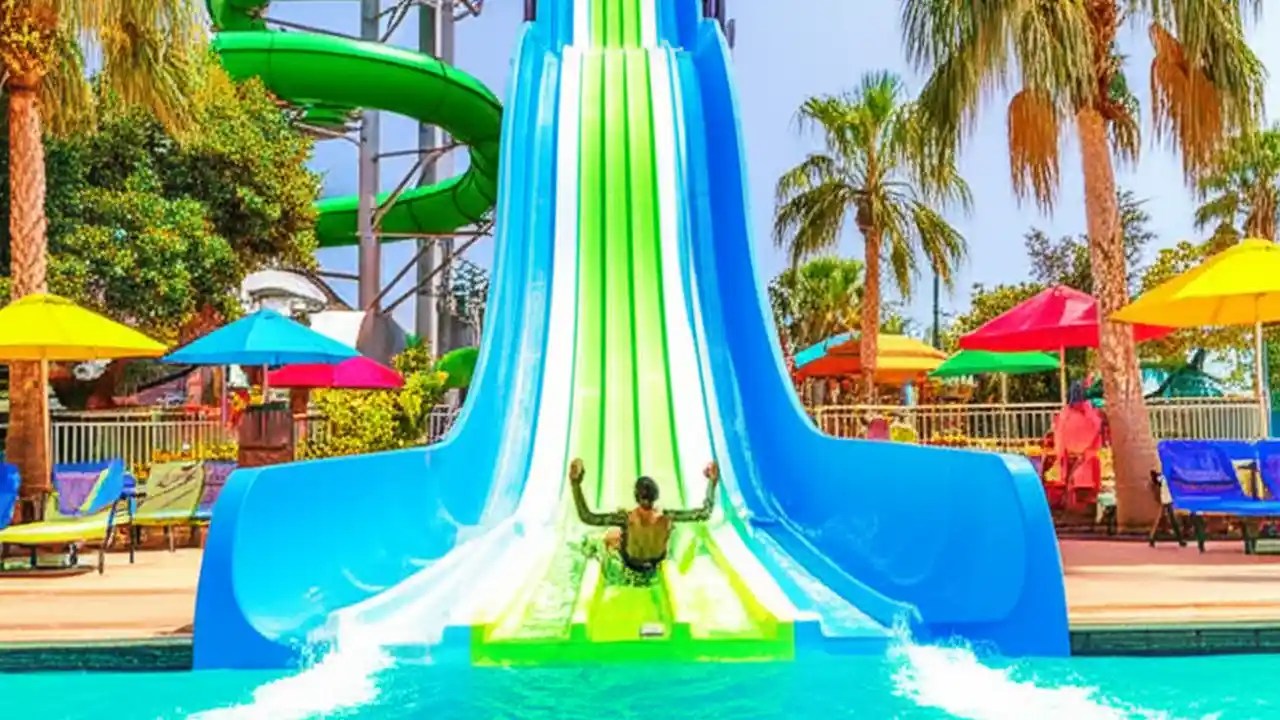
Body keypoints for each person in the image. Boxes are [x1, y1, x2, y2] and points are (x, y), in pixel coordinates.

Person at [569, 458, 719, 586]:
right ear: (656, 496)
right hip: (653, 571)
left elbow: (587, 517)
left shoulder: (626, 518)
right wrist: (712, 482)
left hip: (626, 570)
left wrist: (575, 484)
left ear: (636, 497)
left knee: (604, 537)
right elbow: (704, 513)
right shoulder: (666, 516)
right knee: (671, 531)